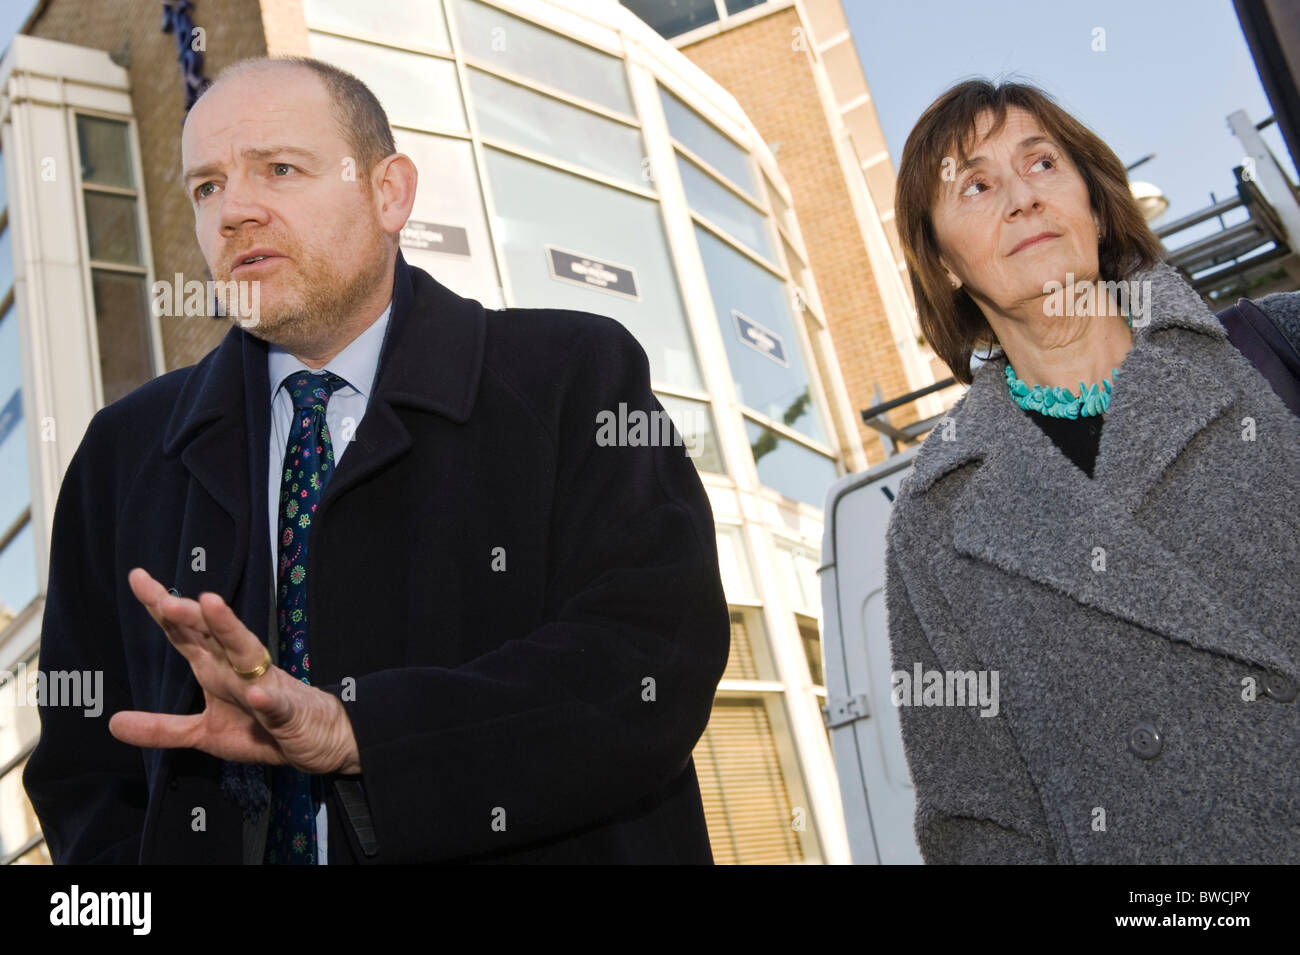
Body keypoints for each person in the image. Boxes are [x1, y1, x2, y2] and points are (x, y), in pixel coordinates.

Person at [22, 55, 731, 864]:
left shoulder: (571, 375)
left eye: (279, 169)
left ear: (389, 192)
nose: (233, 212)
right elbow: (85, 778)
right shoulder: (123, 453)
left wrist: (359, 732)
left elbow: (649, 664)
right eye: (206, 187)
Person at [885, 78, 1300, 864]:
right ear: (941, 263)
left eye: (1042, 164)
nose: (1021, 198)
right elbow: (977, 819)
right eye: (975, 184)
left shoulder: (1277, 349)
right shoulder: (940, 513)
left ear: (1094, 205)